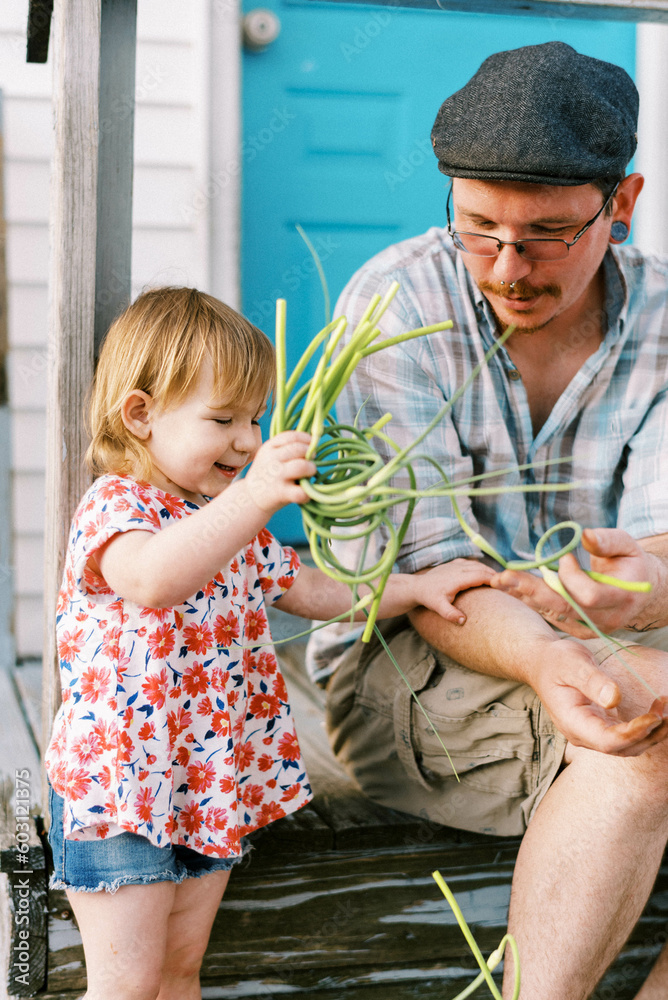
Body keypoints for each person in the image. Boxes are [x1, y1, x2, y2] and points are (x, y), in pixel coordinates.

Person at [307, 41, 668, 1000]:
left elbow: (663, 550)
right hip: (414, 665)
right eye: (479, 228)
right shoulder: (398, 302)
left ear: (619, 206)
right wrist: (559, 655)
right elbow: (424, 578)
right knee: (641, 734)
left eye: (548, 233)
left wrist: (640, 584)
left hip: (617, 640)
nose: (507, 267)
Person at [44, 285, 494, 1000]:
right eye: (223, 418)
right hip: (123, 787)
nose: (249, 440)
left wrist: (413, 588)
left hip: (207, 783)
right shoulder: (117, 507)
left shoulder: (225, 518)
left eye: (255, 418)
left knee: (179, 973)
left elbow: (307, 590)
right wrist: (253, 497)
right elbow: (155, 578)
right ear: (140, 414)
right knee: (124, 986)